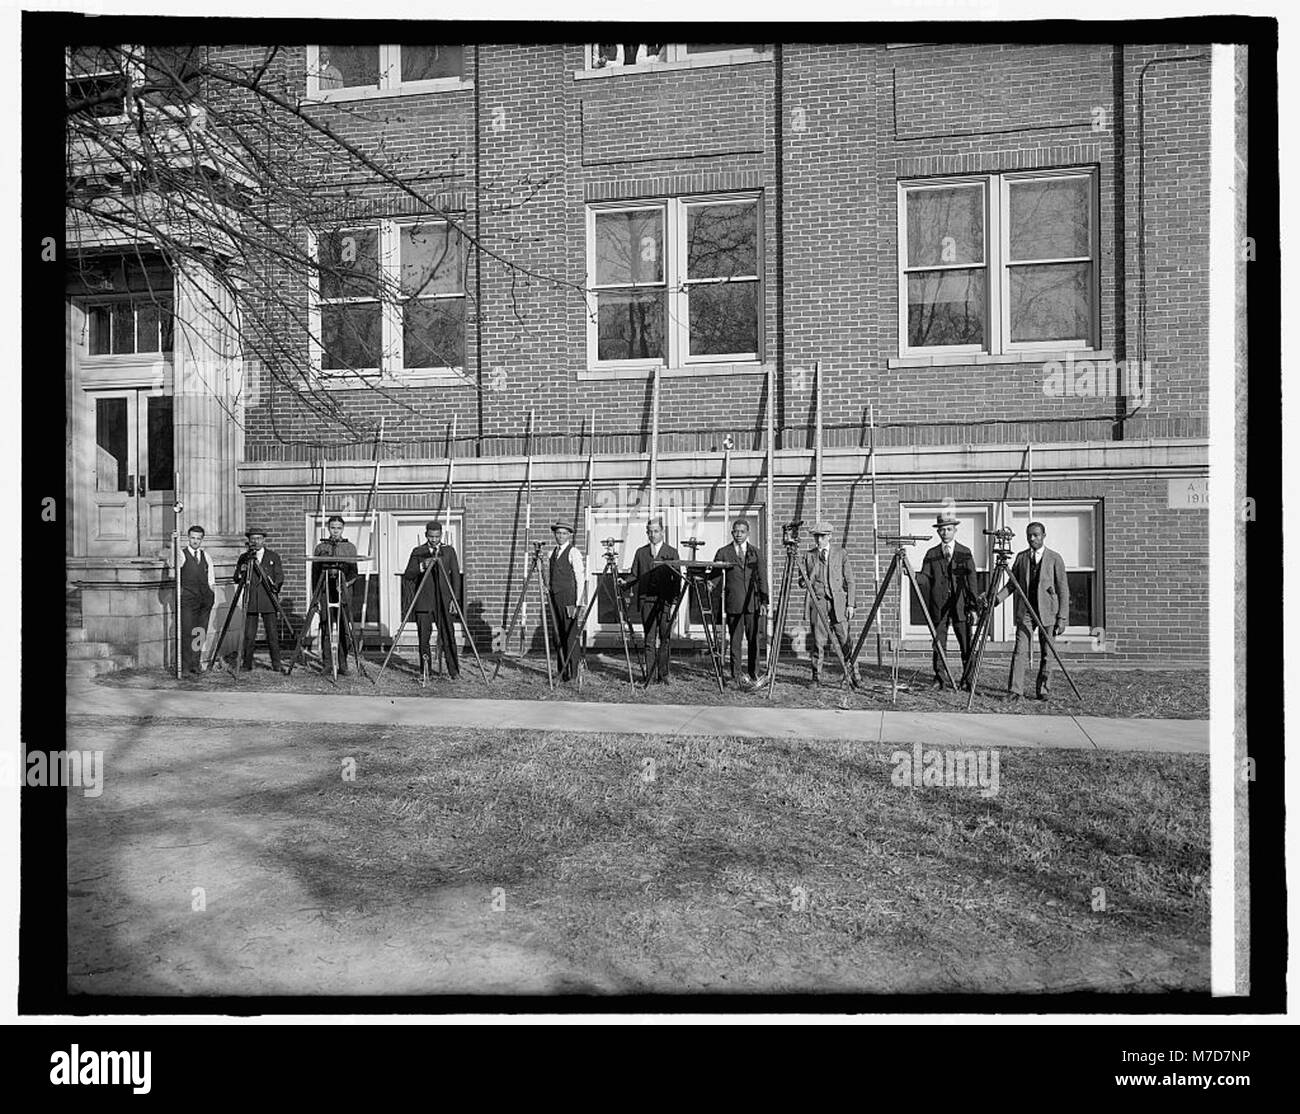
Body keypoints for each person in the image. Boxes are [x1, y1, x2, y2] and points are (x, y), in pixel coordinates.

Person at [995, 521, 1070, 702]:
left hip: (1048, 612)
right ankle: (1015, 690)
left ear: (1044, 536)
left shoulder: (1054, 558)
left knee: (1047, 652)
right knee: (1020, 651)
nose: (1032, 538)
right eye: (1029, 535)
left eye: (1036, 535)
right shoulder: (1021, 558)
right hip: (1026, 611)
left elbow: (1063, 589)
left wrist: (1062, 618)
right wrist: (996, 599)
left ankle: (1043, 690)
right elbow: (1012, 584)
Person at [915, 510, 983, 689]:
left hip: (961, 605)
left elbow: (972, 582)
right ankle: (940, 679)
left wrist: (973, 607)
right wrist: (911, 574)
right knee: (939, 643)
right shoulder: (931, 554)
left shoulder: (964, 553)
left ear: (955, 530)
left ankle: (968, 680)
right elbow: (925, 578)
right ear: (938, 532)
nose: (945, 533)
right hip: (938, 606)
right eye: (942, 530)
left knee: (967, 643)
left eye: (949, 529)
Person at [624, 517, 681, 685]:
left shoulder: (671, 552)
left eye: (656, 531)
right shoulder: (641, 552)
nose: (653, 534)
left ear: (662, 532)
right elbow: (634, 574)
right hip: (646, 600)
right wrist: (625, 583)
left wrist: (674, 601)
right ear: (646, 533)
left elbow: (677, 579)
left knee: (665, 638)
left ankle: (663, 674)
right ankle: (649, 675)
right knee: (649, 639)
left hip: (665, 602)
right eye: (650, 531)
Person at [711, 518, 767, 687]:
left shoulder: (755, 553)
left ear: (748, 533)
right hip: (734, 602)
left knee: (753, 640)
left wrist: (764, 601)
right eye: (736, 531)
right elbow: (715, 576)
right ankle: (736, 674)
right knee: (735, 640)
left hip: (752, 603)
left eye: (742, 532)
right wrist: (709, 583)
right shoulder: (724, 552)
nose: (739, 535)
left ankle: (754, 673)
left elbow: (762, 578)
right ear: (732, 533)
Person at [403, 521, 462, 679]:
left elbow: (456, 576)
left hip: (444, 601)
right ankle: (426, 671)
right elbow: (408, 574)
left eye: (437, 536)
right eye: (431, 536)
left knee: (448, 635)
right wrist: (422, 566)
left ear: (441, 535)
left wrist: (454, 600)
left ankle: (454, 671)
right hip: (424, 602)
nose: (434, 540)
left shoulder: (448, 551)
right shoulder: (418, 551)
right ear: (426, 535)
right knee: (424, 638)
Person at [802, 522, 858, 685]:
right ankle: (816, 676)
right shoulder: (809, 555)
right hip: (818, 601)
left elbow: (850, 581)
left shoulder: (840, 553)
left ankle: (852, 672)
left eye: (823, 536)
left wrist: (850, 604)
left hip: (838, 603)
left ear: (830, 537)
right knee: (818, 640)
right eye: (816, 536)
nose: (819, 540)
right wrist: (803, 581)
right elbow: (803, 579)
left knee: (844, 637)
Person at [312, 515, 359, 676]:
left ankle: (343, 664)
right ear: (328, 528)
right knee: (327, 626)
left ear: (343, 529)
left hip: (344, 591)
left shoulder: (349, 547)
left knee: (344, 629)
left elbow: (354, 572)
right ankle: (327, 664)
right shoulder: (321, 548)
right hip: (326, 590)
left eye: (338, 528)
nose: (335, 531)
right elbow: (315, 574)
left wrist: (345, 584)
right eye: (333, 528)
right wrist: (316, 598)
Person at [233, 528, 285, 672]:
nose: (255, 541)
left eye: (258, 538)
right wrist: (242, 570)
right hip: (251, 600)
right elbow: (236, 578)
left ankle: (276, 664)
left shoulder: (273, 556)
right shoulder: (244, 557)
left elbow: (279, 576)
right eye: (253, 538)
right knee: (249, 635)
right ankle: (247, 664)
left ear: (264, 540)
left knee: (272, 635)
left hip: (268, 599)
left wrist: (276, 587)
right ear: (249, 541)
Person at [546, 521, 587, 682]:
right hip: (555, 598)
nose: (560, 536)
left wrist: (578, 602)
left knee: (570, 634)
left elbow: (580, 577)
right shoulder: (552, 553)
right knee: (558, 635)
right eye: (558, 533)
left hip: (569, 598)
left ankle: (573, 672)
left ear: (569, 535)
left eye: (564, 533)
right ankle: (561, 671)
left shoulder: (573, 552)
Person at [178, 524, 216, 675]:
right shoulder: (181, 555)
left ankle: (196, 663)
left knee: (200, 632)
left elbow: (211, 578)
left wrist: (211, 594)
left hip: (204, 600)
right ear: (188, 538)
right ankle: (186, 666)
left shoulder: (206, 556)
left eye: (198, 539)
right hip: (188, 599)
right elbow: (172, 568)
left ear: (202, 540)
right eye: (192, 538)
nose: (195, 541)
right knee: (187, 631)